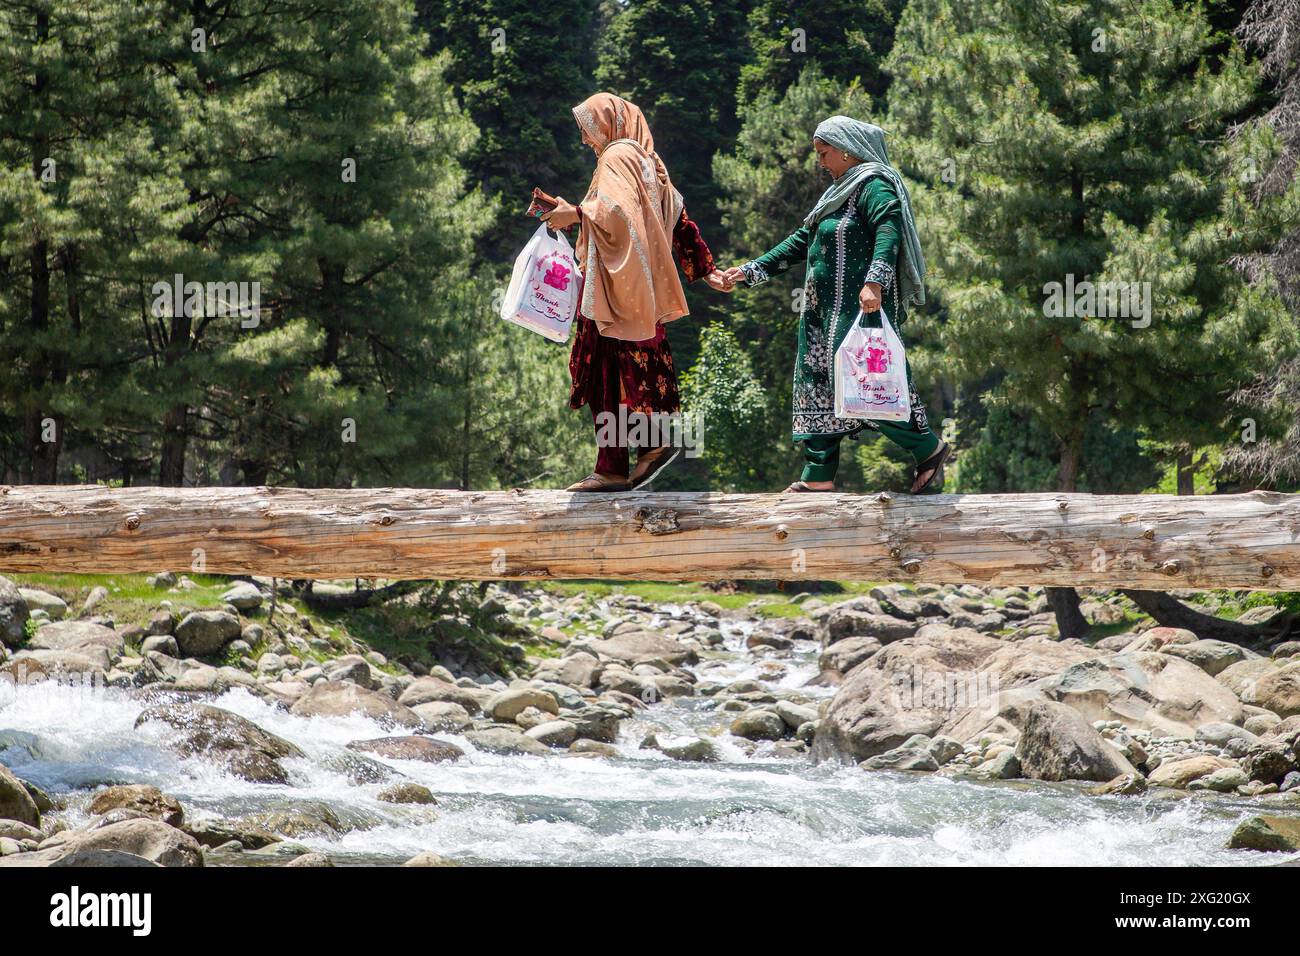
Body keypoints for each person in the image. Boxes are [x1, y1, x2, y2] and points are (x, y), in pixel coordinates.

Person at [722, 115, 949, 494]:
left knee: (866, 384)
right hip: (820, 314)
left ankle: (927, 447)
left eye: (824, 153)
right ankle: (818, 474)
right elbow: (800, 242)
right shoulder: (836, 195)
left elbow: (889, 228)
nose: (821, 162)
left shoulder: (873, 185)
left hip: (861, 311)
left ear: (847, 150)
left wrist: (874, 282)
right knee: (817, 385)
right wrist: (749, 271)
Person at [543, 92, 733, 493]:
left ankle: (615, 466)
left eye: (587, 130)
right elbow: (679, 219)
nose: (584, 141)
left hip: (614, 289)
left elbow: (615, 213)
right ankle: (646, 447)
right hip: (641, 293)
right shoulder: (650, 160)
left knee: (603, 375)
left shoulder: (616, 155)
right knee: (635, 371)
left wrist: (574, 214)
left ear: (607, 123)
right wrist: (705, 270)